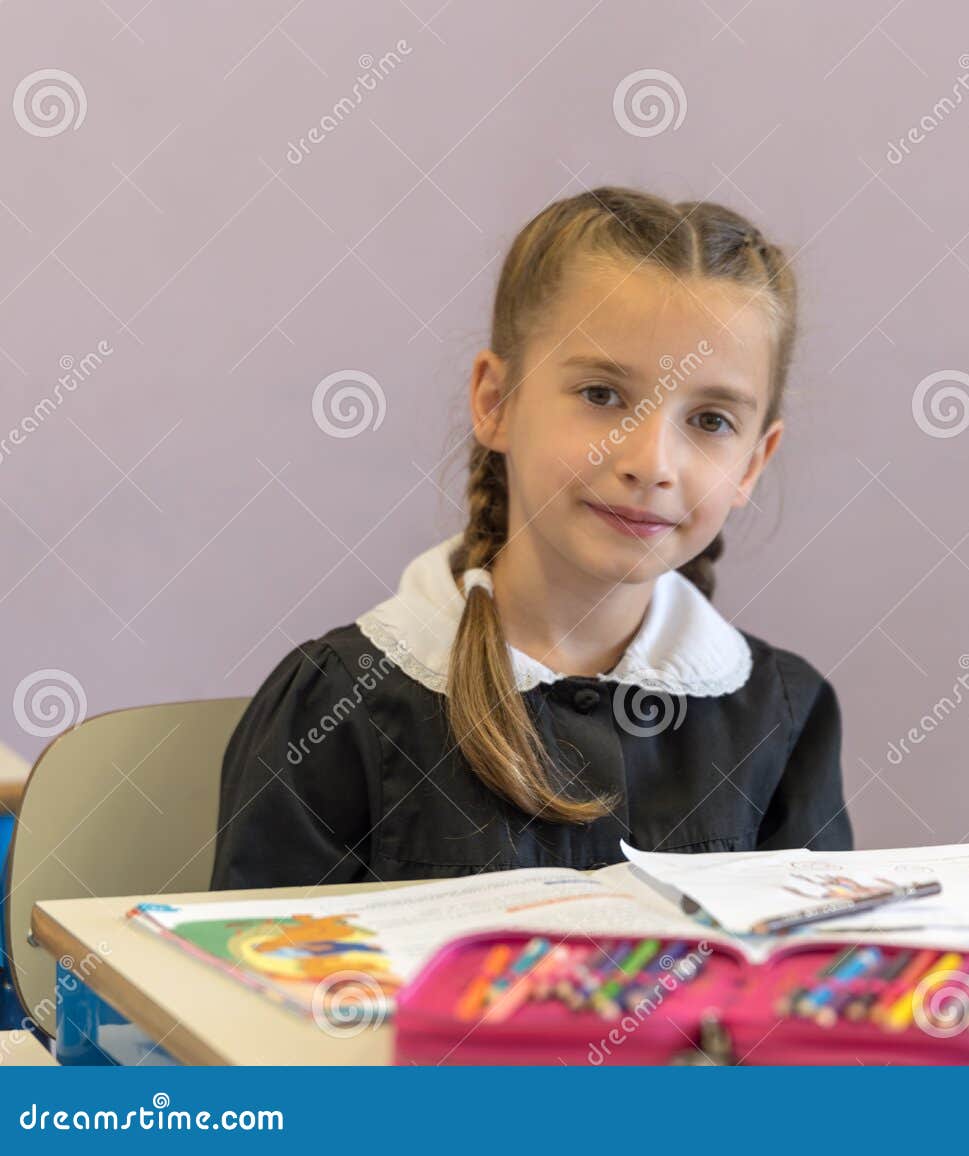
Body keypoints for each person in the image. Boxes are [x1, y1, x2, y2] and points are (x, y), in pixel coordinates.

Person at [210, 187, 853, 889]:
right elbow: (243, 985)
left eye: (710, 421)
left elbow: (814, 980)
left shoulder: (784, 718)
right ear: (495, 402)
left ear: (753, 463)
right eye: (602, 395)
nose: (652, 463)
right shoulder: (336, 704)